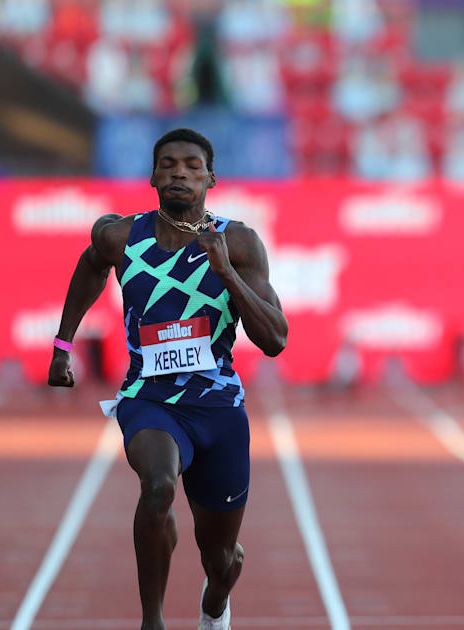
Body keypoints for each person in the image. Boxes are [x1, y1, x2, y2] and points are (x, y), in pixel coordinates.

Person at [47, 128, 288, 630]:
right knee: (157, 487)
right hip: (149, 397)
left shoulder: (239, 242)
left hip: (218, 407)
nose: (180, 172)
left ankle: (216, 600)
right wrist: (63, 346)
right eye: (169, 164)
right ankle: (152, 621)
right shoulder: (119, 236)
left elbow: (275, 340)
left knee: (220, 558)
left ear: (211, 178)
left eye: (192, 165)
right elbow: (91, 268)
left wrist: (227, 272)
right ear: (153, 176)